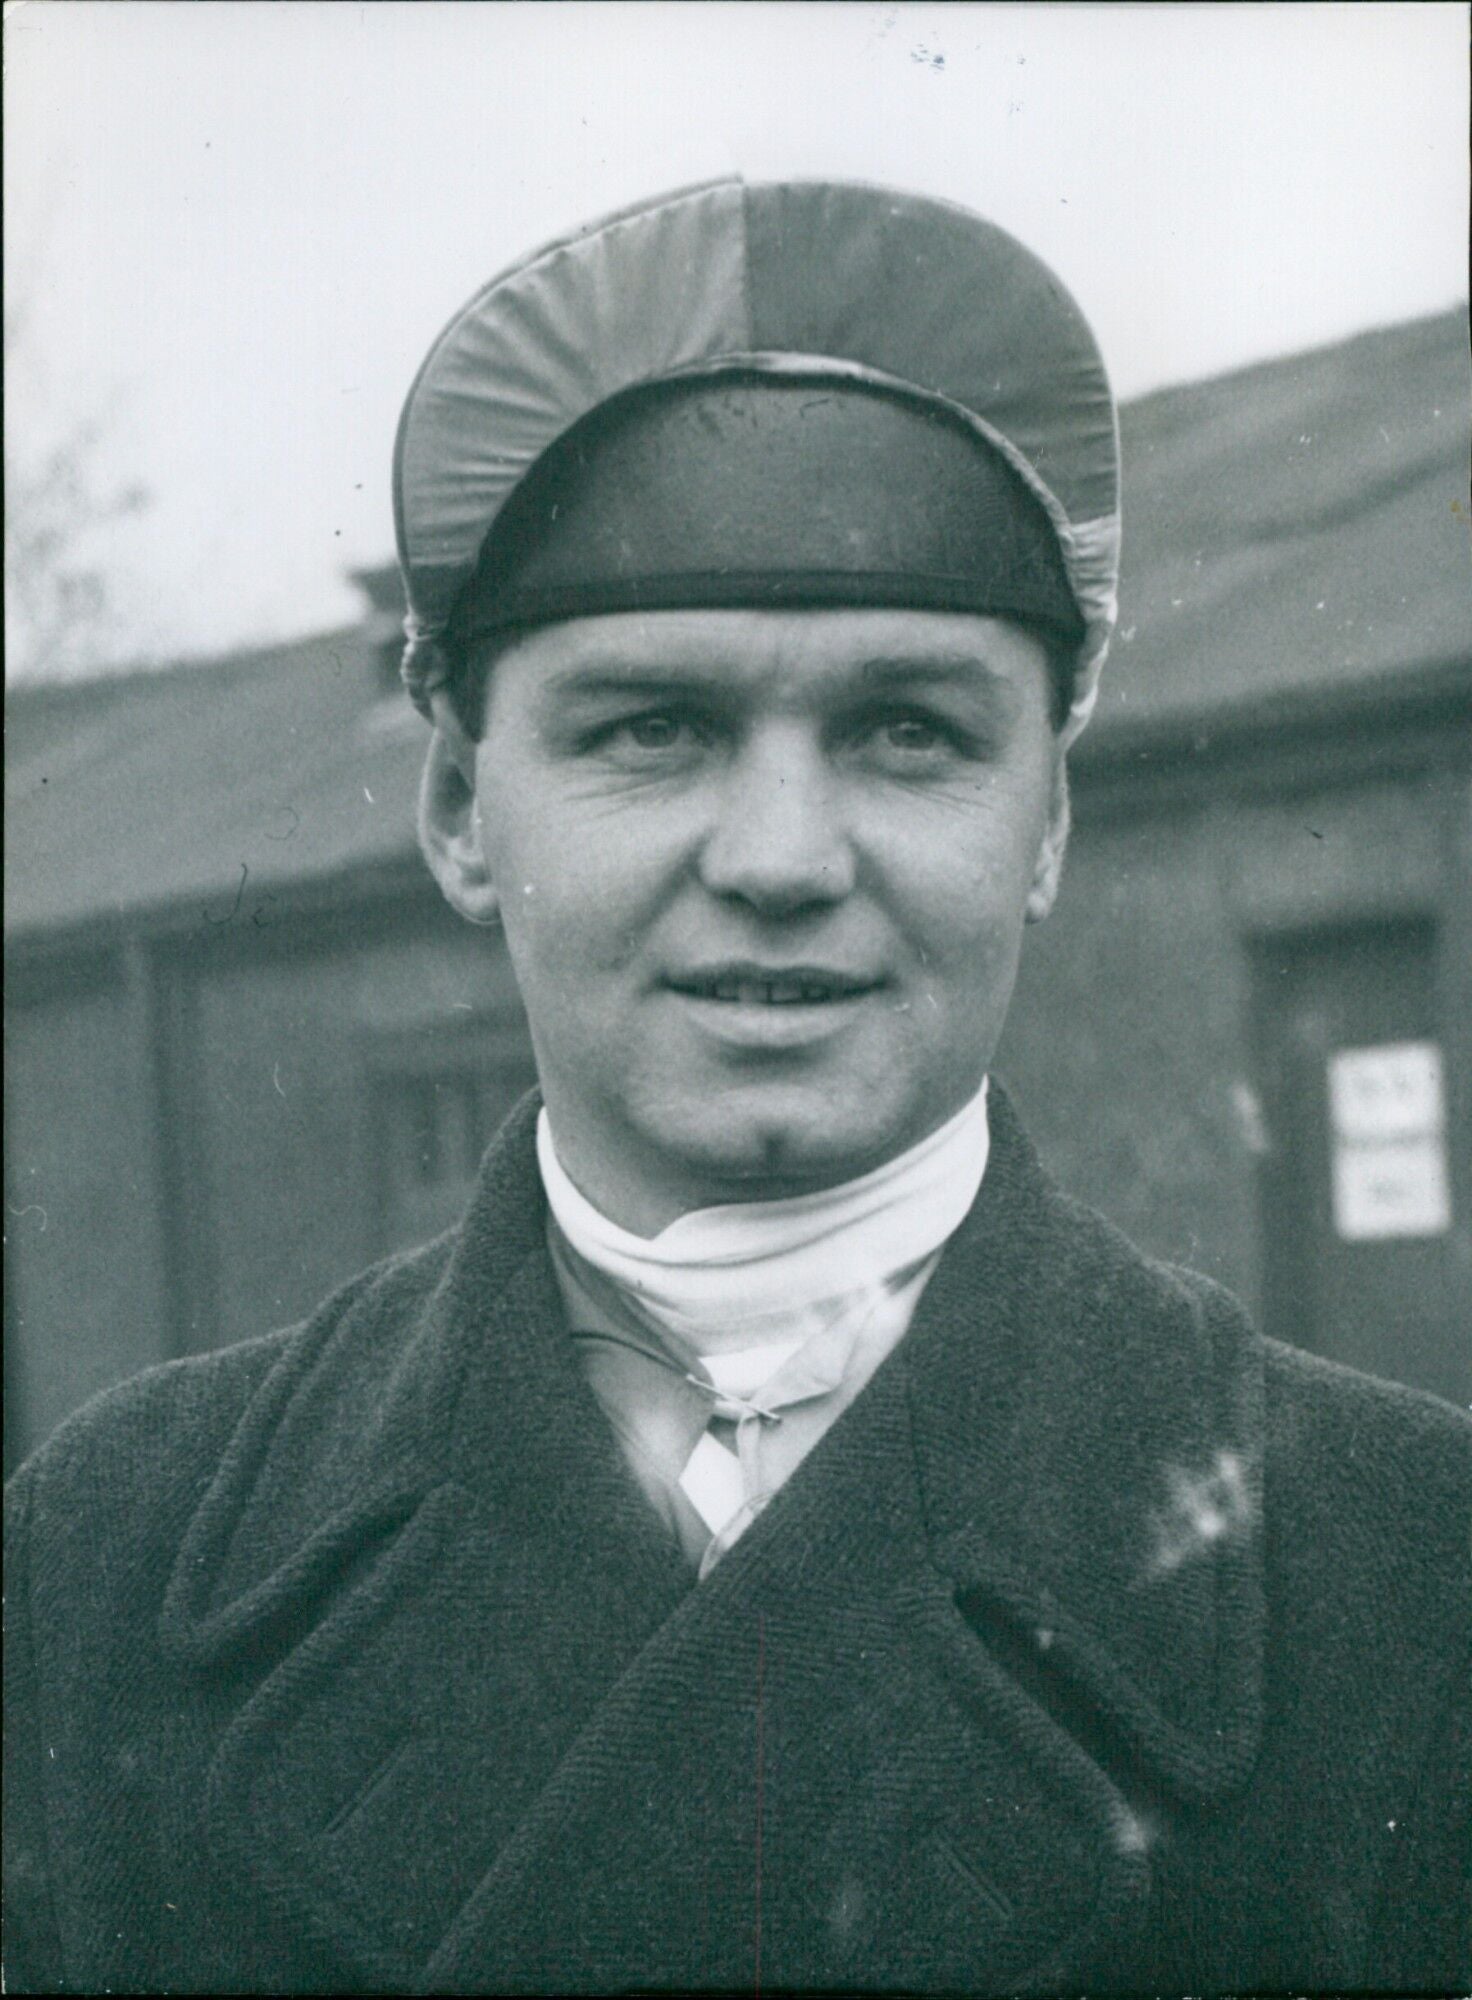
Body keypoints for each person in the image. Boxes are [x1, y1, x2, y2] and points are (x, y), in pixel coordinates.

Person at [4, 178, 1468, 1997]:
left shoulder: (1407, 1575)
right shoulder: (107, 1564)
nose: (782, 857)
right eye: (656, 729)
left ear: (1046, 826)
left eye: (908, 732)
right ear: (459, 810)